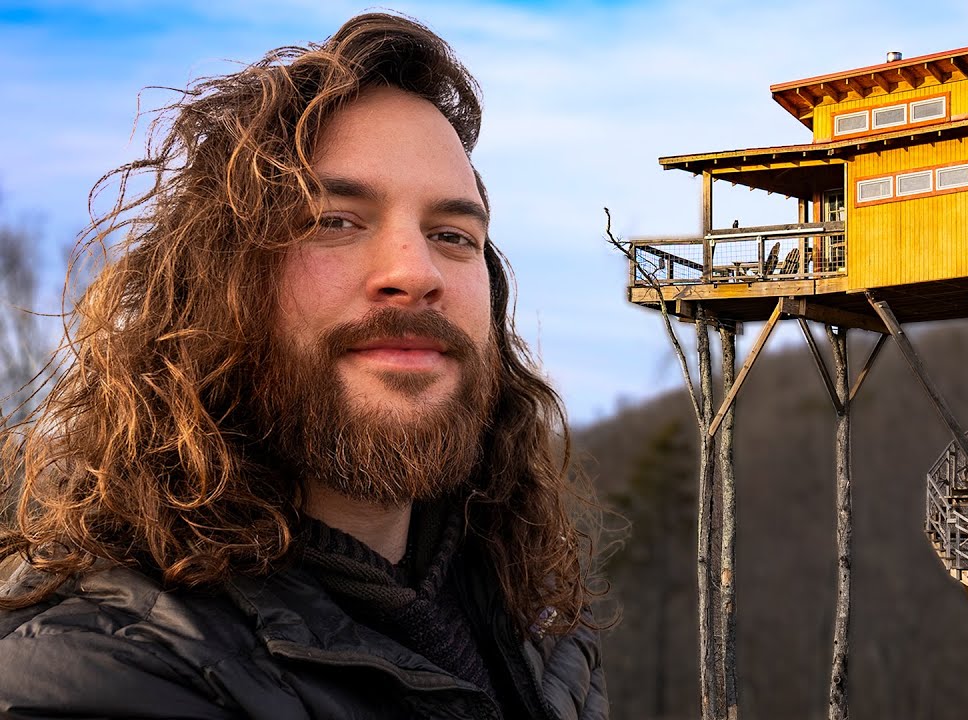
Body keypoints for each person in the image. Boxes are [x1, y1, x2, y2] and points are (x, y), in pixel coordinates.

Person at [0, 12, 607, 719]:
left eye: (452, 234)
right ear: (217, 287)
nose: (416, 272)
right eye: (333, 221)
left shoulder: (541, 634)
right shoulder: (100, 672)